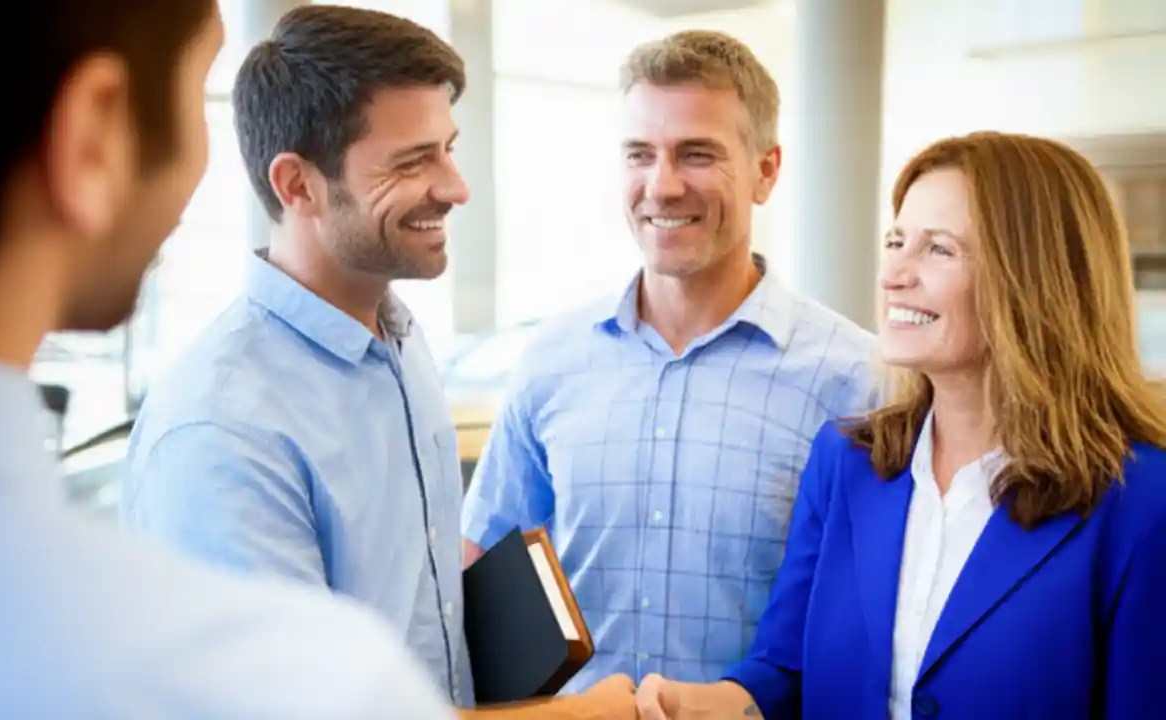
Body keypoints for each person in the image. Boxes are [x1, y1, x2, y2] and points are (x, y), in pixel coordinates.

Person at [0, 1, 455, 716]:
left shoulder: (402, 344)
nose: (454, 186)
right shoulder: (270, 667)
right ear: (92, 137)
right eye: (199, 87)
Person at [120, 5, 635, 717]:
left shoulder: (398, 341)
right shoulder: (223, 430)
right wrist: (580, 716)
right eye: (413, 161)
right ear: (297, 185)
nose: (456, 187)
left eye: (448, 149)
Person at [635, 131, 1166, 720]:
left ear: (1035, 278)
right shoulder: (848, 462)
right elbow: (786, 673)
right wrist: (691, 704)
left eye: (939, 249)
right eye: (896, 241)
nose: (894, 275)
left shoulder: (1142, 504)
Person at [460, 29, 878, 692]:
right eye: (639, 154)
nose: (662, 185)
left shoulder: (857, 379)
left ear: (766, 171)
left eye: (697, 154)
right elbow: (481, 561)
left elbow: (872, 616)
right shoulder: (552, 362)